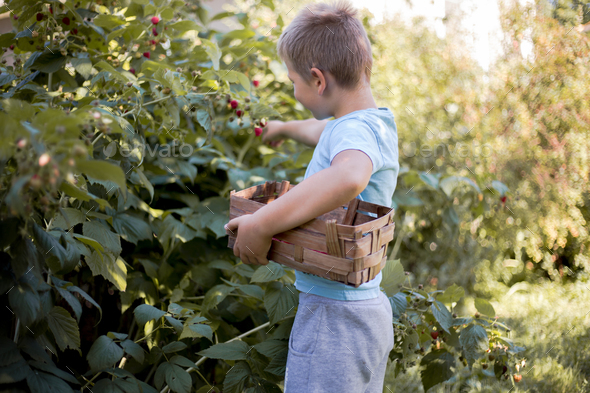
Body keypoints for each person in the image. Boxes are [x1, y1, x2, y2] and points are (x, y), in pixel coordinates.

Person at [225, 1, 399, 391]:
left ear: (318, 81)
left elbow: (349, 176)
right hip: (366, 315)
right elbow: (323, 133)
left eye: (293, 80)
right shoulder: (372, 123)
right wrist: (284, 127)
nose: (293, 88)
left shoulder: (351, 138)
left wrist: (260, 222)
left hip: (332, 319)